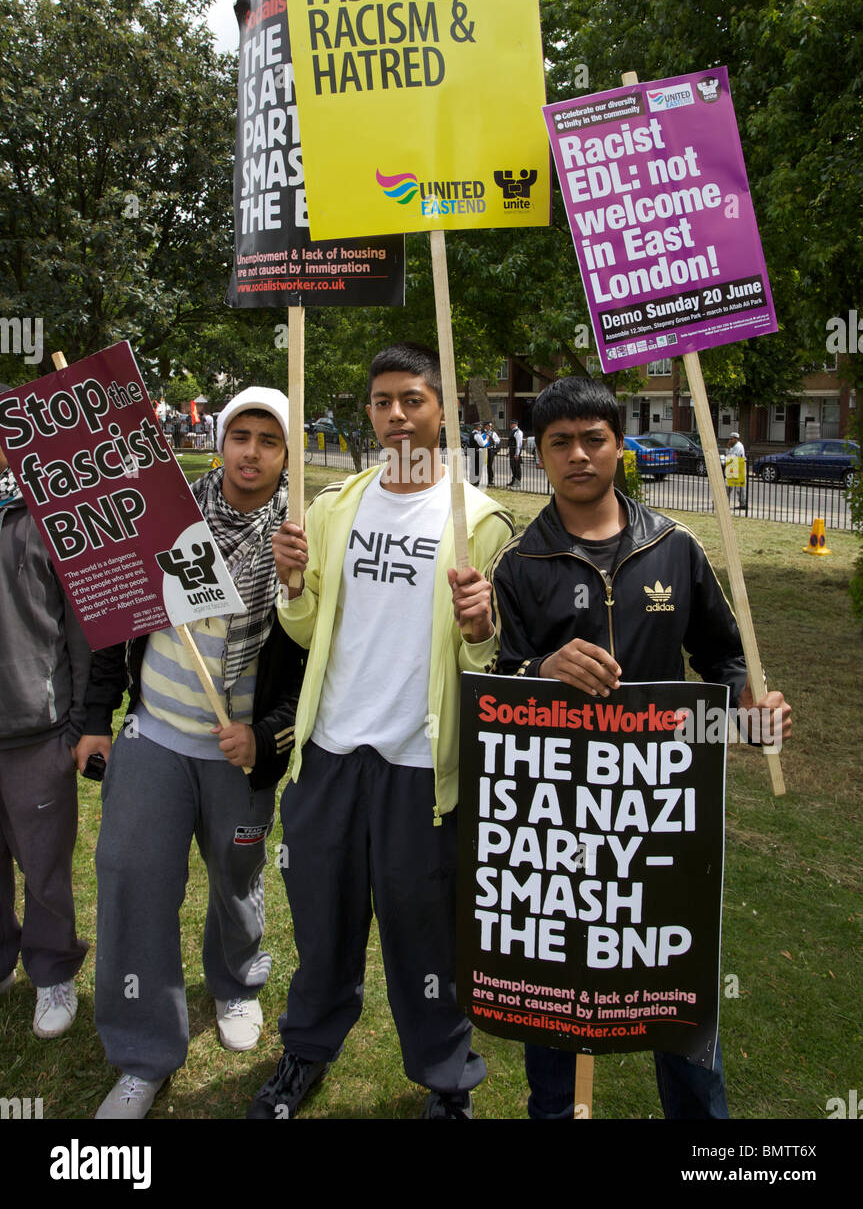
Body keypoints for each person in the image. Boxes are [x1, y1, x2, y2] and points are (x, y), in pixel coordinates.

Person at [488, 377, 791, 1120]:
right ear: (540, 454)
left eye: (594, 438)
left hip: (665, 813)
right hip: (557, 822)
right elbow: (498, 687)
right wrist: (541, 670)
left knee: (676, 1001)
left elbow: (722, 661)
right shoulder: (519, 563)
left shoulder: (675, 547)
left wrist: (747, 710)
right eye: (560, 443)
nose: (579, 455)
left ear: (619, 447)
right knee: (554, 1000)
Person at [249, 343, 514, 1120]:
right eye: (381, 401)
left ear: (443, 410)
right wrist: (292, 582)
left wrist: (482, 627)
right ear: (367, 410)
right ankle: (304, 1054)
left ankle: (445, 1079)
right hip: (329, 753)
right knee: (322, 923)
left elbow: (489, 653)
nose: (396, 414)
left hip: (420, 768)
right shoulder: (334, 506)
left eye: (413, 399)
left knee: (424, 935)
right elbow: (301, 627)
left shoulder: (483, 522)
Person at [77, 387, 306, 1119]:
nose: (250, 451)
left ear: (287, 455)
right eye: (239, 434)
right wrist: (95, 715)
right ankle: (143, 1053)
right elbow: (115, 617)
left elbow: (311, 661)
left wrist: (265, 734)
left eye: (269, 441)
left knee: (237, 874)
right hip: (157, 733)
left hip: (239, 755)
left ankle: (237, 982)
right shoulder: (165, 512)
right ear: (219, 437)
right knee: (132, 877)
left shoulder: (302, 538)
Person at [0, 386, 90, 1037]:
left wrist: (85, 724)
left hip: (36, 731)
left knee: (46, 869)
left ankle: (54, 974)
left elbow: (85, 632)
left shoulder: (50, 517)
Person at [725, 431, 747, 511]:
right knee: (729, 485)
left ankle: (743, 503)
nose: (730, 440)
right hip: (734, 467)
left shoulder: (738, 446)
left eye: (731, 439)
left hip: (737, 467)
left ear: (735, 439)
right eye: (729, 439)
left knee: (739, 487)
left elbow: (732, 456)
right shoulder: (734, 446)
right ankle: (724, 501)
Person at [508, 418, 524, 489]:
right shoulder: (512, 431)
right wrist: (508, 451)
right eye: (510, 424)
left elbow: (518, 444)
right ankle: (513, 480)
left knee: (517, 468)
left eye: (512, 424)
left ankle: (517, 482)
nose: (510, 425)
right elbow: (510, 443)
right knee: (513, 467)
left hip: (515, 452)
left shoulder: (518, 432)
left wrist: (517, 454)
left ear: (515, 424)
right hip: (512, 451)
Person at [485, 421, 501, 488]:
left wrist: (491, 446)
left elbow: (497, 441)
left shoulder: (493, 433)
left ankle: (490, 480)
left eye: (490, 426)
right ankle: (486, 479)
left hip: (490, 451)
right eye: (488, 426)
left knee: (489, 465)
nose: (489, 427)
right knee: (484, 466)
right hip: (484, 451)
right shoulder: (483, 432)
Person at [470, 421, 485, 486]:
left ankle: (472, 480)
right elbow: (482, 444)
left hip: (472, 452)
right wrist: (486, 439)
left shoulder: (471, 433)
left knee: (473, 466)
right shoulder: (477, 435)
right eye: (480, 427)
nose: (480, 428)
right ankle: (476, 481)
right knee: (478, 467)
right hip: (477, 452)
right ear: (477, 427)